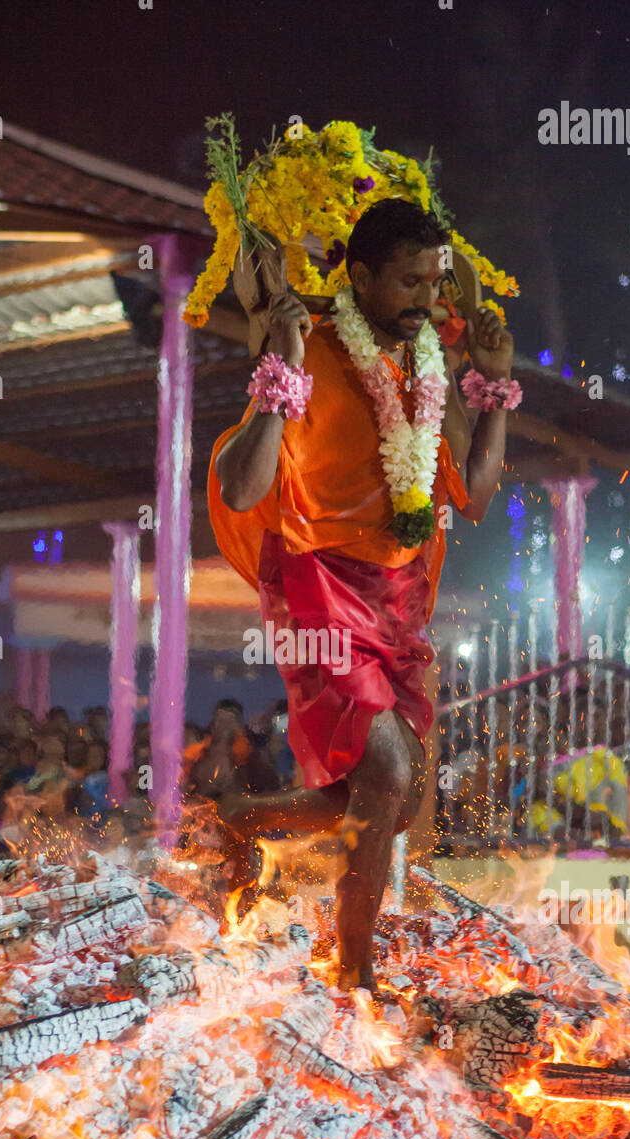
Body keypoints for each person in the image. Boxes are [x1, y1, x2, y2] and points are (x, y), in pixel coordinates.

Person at [208, 198, 514, 990]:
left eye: (434, 282)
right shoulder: (306, 340)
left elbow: (474, 497)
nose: (426, 299)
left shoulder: (427, 365)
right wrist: (277, 367)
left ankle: (246, 818)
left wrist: (497, 388)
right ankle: (355, 975)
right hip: (317, 582)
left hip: (400, 593)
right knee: (384, 773)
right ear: (363, 275)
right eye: (409, 282)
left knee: (388, 796)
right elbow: (241, 491)